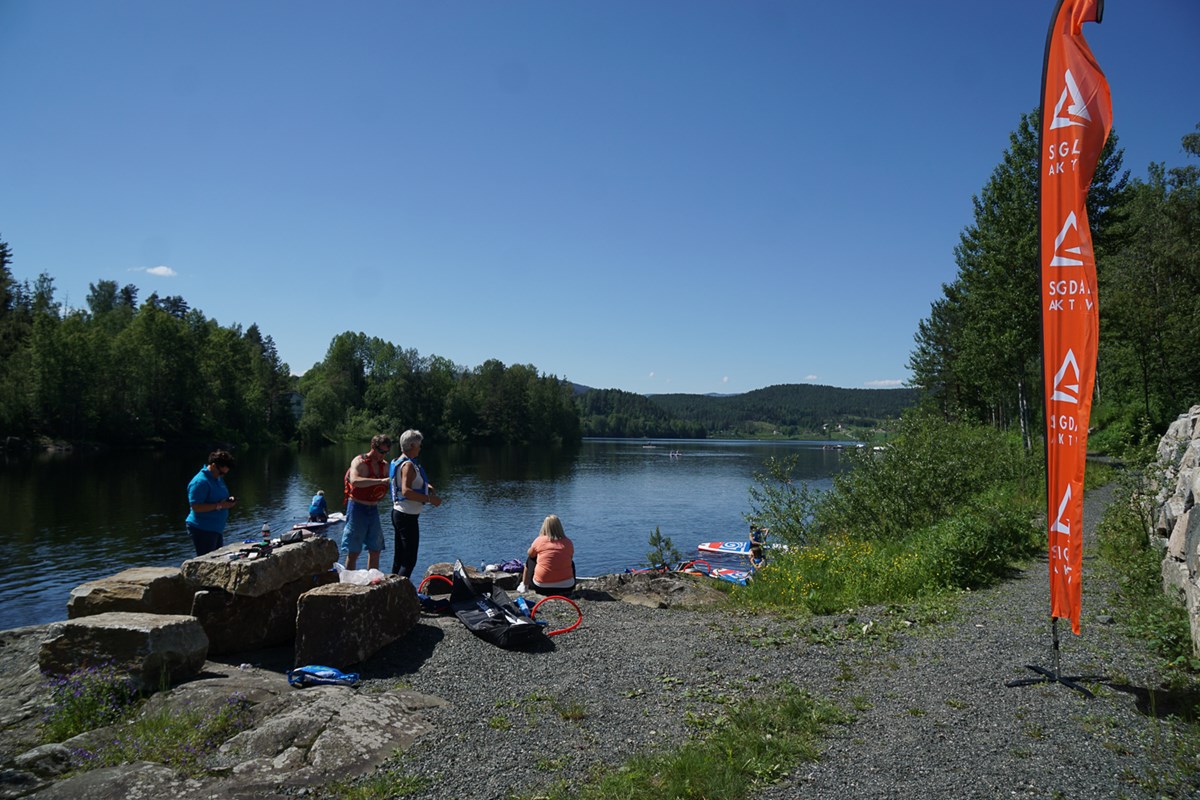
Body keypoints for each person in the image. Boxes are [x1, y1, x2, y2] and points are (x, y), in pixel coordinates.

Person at [390, 429, 442, 578]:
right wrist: (431, 499)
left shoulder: (400, 461)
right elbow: (406, 491)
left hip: (399, 513)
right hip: (406, 516)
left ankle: (391, 591)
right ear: (412, 445)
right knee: (409, 560)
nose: (420, 447)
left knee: (399, 558)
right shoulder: (408, 465)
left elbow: (406, 485)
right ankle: (400, 594)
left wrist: (427, 487)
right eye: (419, 444)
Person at [341, 434, 393, 570]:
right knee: (354, 551)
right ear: (373, 447)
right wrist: (380, 481)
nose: (383, 455)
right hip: (357, 508)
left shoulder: (385, 466)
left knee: (375, 549)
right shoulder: (359, 462)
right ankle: (349, 582)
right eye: (381, 451)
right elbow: (355, 481)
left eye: (386, 452)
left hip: (373, 509)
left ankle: (372, 580)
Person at [185, 450, 237, 556]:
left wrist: (228, 500)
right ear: (213, 466)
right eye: (221, 473)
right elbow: (196, 507)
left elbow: (219, 497)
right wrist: (221, 505)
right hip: (202, 529)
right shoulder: (200, 482)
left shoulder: (217, 478)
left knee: (218, 560)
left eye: (224, 474)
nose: (222, 476)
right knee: (208, 562)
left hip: (216, 529)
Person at [517, 514, 576, 595]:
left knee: (531, 559)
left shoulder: (539, 540)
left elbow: (530, 554)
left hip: (542, 587)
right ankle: (567, 580)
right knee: (571, 562)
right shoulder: (568, 542)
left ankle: (524, 585)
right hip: (567, 586)